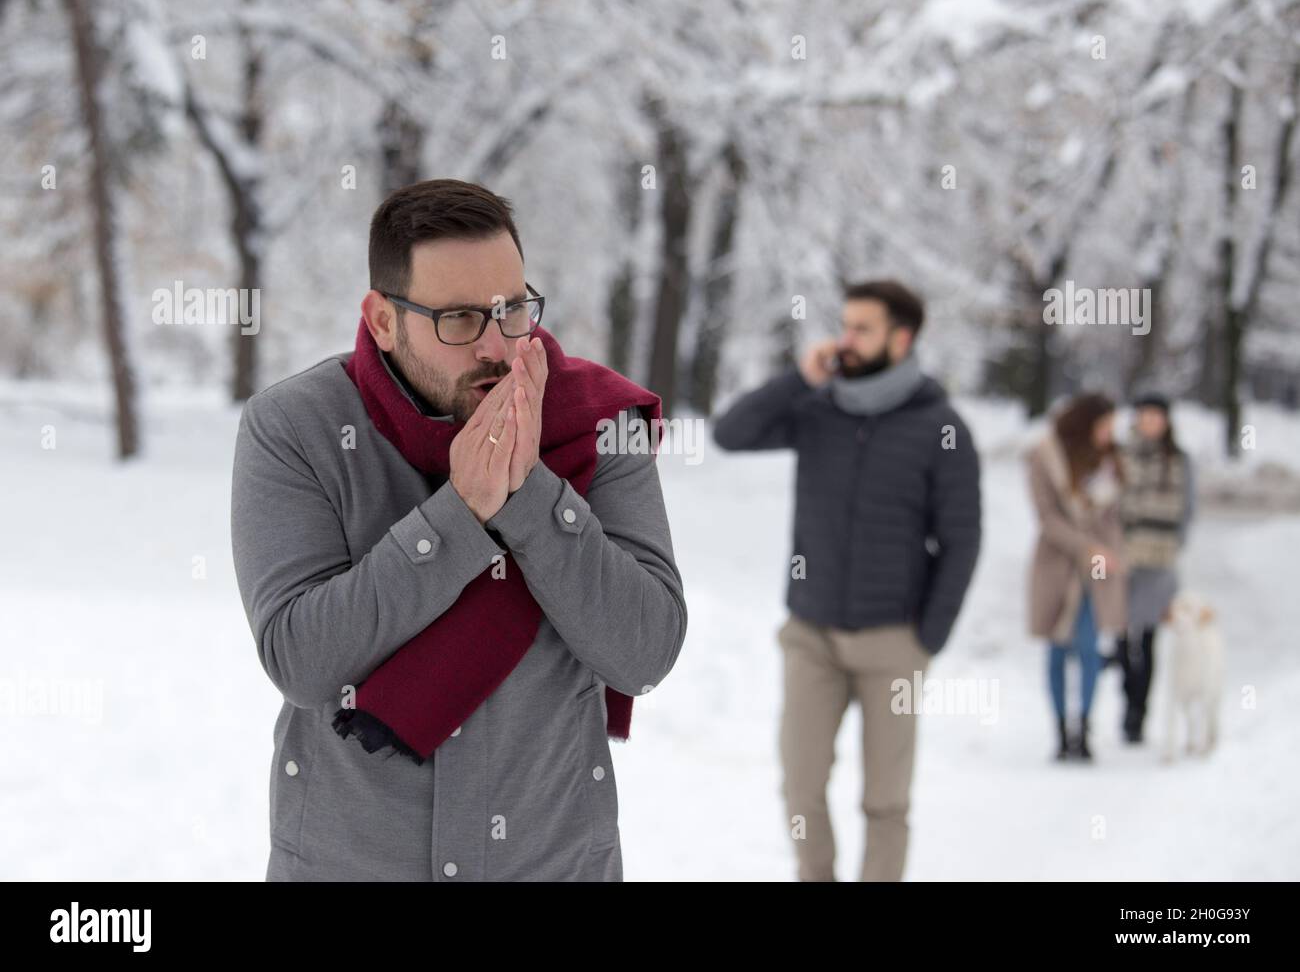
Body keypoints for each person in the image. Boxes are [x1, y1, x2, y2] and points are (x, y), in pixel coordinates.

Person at [231, 178, 687, 881]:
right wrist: (456, 519)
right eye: (460, 321)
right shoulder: (295, 429)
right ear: (383, 320)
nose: (499, 347)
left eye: (512, 311)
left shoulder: (598, 424)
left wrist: (529, 493)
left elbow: (643, 649)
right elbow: (301, 660)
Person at [712, 279, 981, 881]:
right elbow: (729, 434)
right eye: (846, 325)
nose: (846, 340)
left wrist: (926, 638)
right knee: (801, 785)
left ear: (901, 337)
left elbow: (962, 540)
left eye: (863, 328)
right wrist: (799, 381)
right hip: (811, 634)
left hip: (894, 642)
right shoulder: (819, 408)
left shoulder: (941, 427)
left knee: (886, 800)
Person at [1025, 393, 1127, 763]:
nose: (1109, 434)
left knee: (1088, 646)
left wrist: (1112, 553)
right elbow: (1047, 518)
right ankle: (1059, 730)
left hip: (1099, 571)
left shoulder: (1110, 461)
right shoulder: (1046, 457)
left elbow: (1114, 517)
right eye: (1104, 427)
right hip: (1057, 564)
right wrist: (1087, 547)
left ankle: (1082, 727)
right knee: (1056, 648)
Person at [1106, 393, 1195, 743]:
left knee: (1148, 636)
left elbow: (1189, 507)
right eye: (1145, 416)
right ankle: (1126, 695)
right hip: (1123, 556)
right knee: (1121, 633)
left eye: (1157, 416)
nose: (1151, 422)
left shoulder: (1180, 460)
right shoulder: (1121, 454)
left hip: (1160, 558)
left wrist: (1176, 543)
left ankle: (1137, 712)